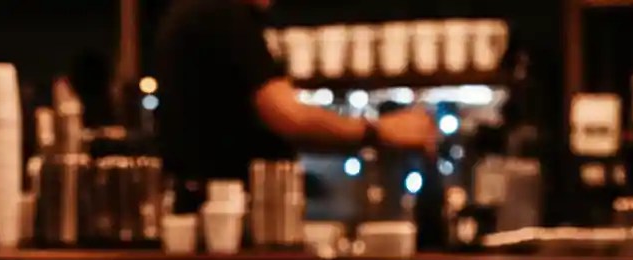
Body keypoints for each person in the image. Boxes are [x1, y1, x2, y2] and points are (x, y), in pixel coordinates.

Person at [154, 0, 438, 212]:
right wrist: (379, 131)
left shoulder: (207, 13)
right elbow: (287, 116)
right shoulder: (220, 13)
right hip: (222, 214)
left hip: (211, 208)